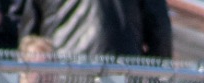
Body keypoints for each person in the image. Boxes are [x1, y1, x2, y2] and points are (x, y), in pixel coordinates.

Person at [14, 0, 171, 59]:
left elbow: (28, 32)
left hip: (61, 72)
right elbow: (160, 31)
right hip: (119, 75)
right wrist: (152, 78)